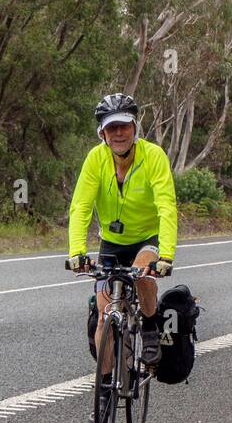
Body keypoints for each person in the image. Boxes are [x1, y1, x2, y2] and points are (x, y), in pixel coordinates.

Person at [67, 94, 177, 392]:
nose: (118, 133)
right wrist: (77, 252)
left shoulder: (153, 156)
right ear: (102, 133)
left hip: (147, 238)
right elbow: (81, 208)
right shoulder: (95, 159)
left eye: (124, 126)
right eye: (111, 127)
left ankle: (151, 328)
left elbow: (166, 206)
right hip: (111, 244)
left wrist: (165, 256)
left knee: (143, 272)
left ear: (134, 128)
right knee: (104, 320)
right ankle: (104, 390)